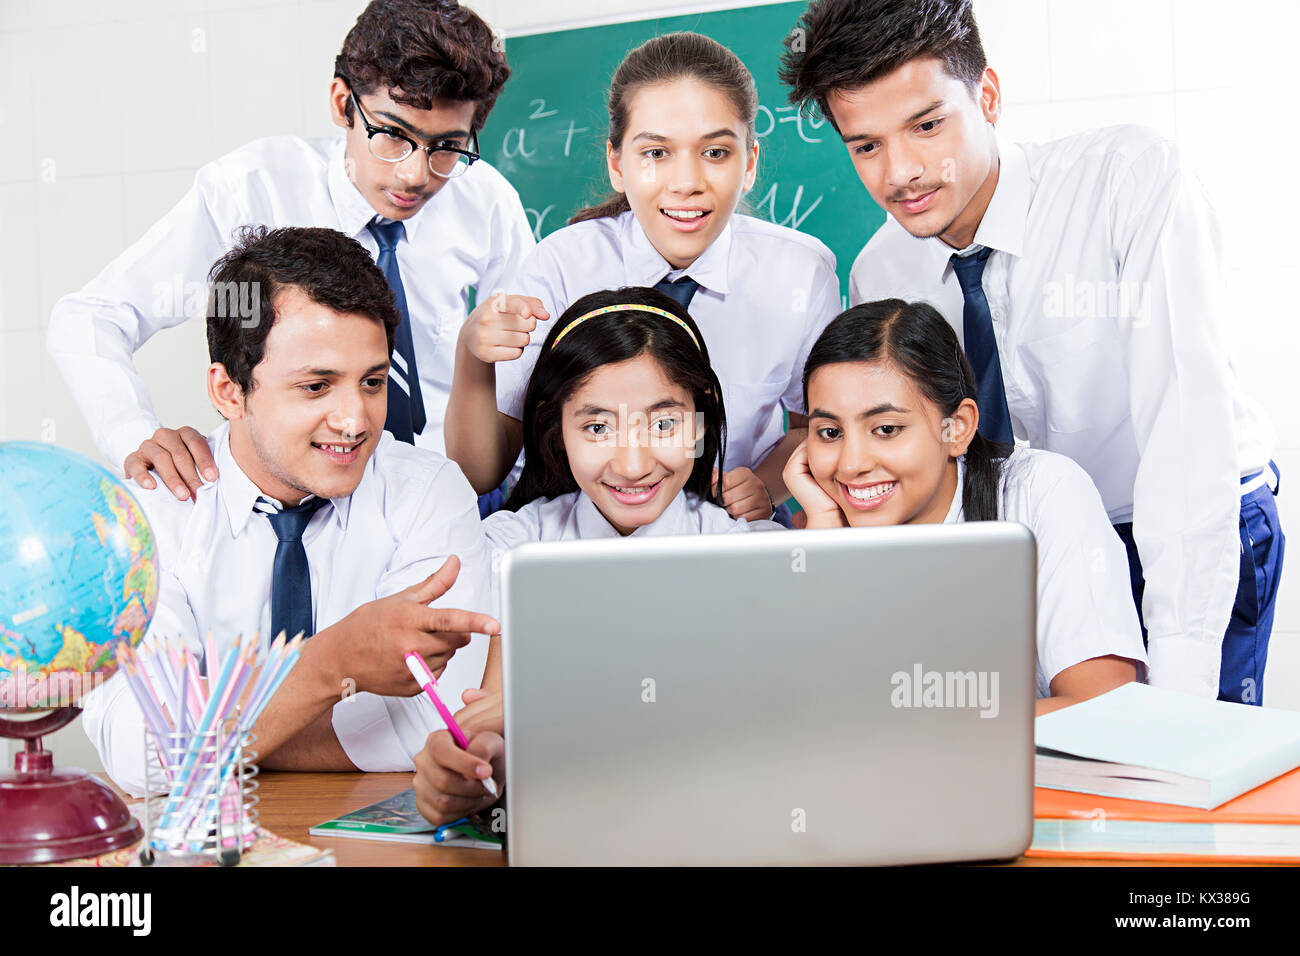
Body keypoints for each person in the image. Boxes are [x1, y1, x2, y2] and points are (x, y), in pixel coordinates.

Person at [779, 0, 1282, 702]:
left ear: (987, 95)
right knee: (1048, 772)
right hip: (1026, 535)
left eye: (927, 126)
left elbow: (1184, 436)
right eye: (866, 145)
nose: (901, 172)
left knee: (1176, 777)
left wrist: (1182, 706)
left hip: (1182, 517)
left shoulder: (1128, 183)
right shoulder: (880, 273)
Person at [47, 0, 533, 511]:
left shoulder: (484, 200)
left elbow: (525, 366)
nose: (416, 174)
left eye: (447, 146)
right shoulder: (253, 191)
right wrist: (133, 434)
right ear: (342, 101)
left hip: (442, 497)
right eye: (392, 135)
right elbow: (91, 317)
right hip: (298, 503)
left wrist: (516, 497)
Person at [81, 226, 498, 797]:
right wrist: (332, 664)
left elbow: (437, 728)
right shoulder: (153, 514)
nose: (354, 421)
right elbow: (139, 752)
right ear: (230, 391)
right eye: (316, 387)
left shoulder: (429, 492)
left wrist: (227, 741)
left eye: (372, 382)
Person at [413, 287, 782, 824]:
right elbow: (490, 722)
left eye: (664, 424)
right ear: (556, 431)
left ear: (701, 424)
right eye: (596, 427)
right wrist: (478, 763)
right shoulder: (510, 550)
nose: (632, 465)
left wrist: (552, 714)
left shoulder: (758, 559)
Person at [443, 31, 841, 524]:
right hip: (579, 538)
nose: (687, 182)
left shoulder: (802, 274)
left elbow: (817, 428)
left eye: (715, 153)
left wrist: (767, 482)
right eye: (656, 153)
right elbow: (481, 473)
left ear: (750, 163)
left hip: (729, 535)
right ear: (616, 164)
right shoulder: (562, 266)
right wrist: (471, 354)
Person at [782, 300, 1147, 715]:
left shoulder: (1042, 495)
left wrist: (902, 726)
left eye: (886, 429)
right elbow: (805, 719)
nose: (852, 464)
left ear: (957, 429)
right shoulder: (818, 532)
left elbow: (1102, 707)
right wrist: (827, 552)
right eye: (829, 432)